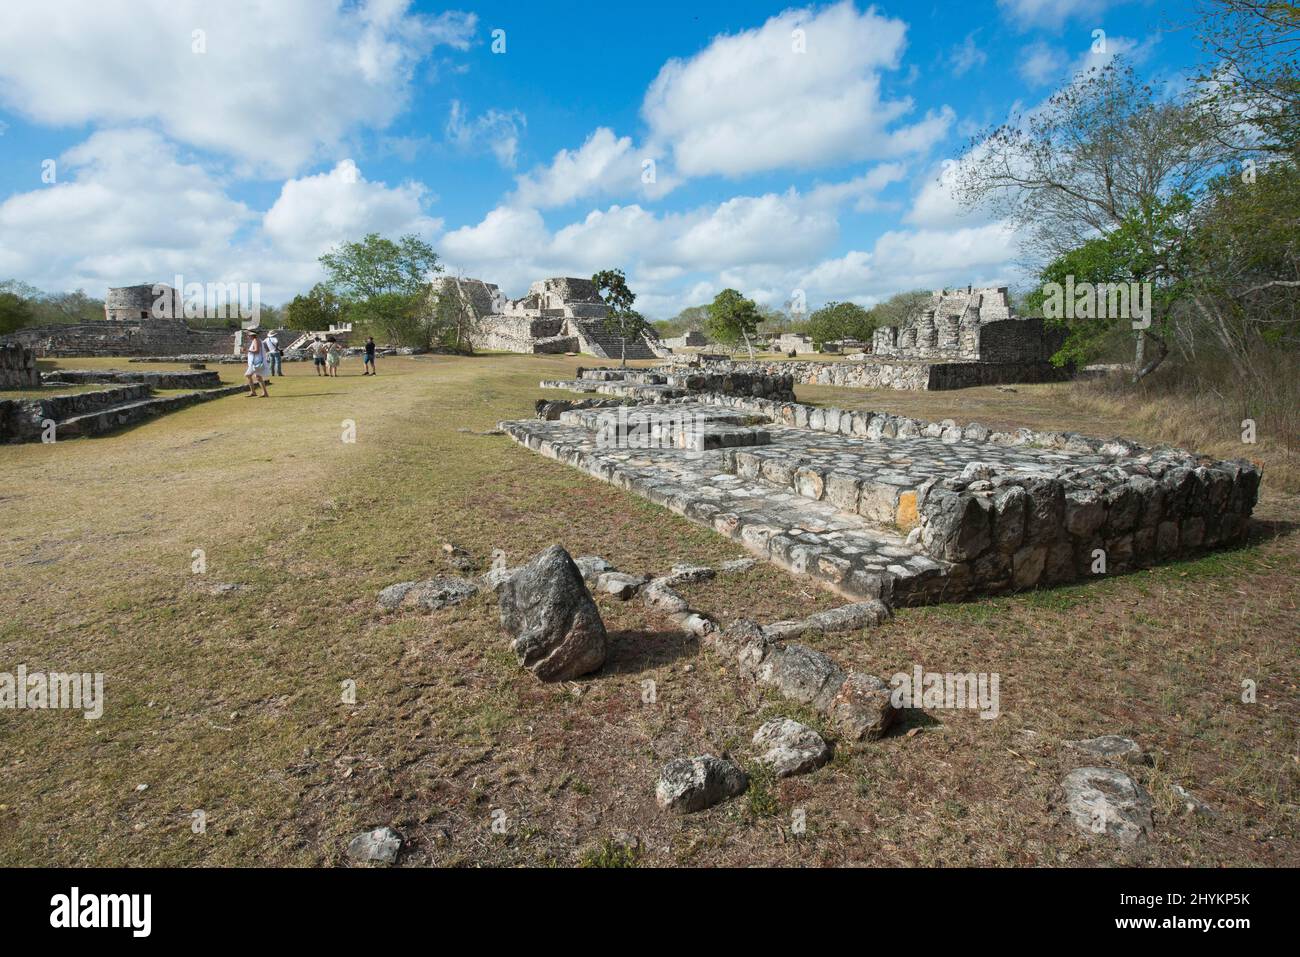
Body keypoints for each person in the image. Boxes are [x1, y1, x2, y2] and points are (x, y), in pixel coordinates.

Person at [244, 330, 270, 397]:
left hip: (256, 362)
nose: (247, 336)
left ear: (251, 335)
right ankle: (259, 392)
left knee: (250, 375)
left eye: (248, 335)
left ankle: (258, 392)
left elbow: (256, 350)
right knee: (256, 376)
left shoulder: (256, 340)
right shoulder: (256, 340)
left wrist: (247, 350)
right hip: (255, 361)